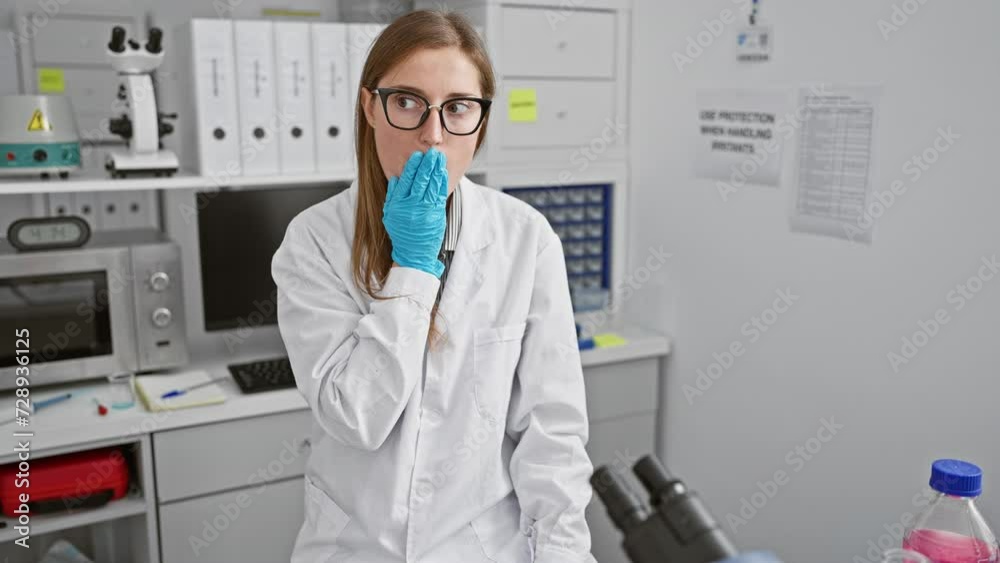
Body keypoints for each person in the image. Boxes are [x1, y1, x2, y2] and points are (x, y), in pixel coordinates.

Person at [272, 9, 595, 563]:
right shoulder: (314, 240)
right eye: (407, 102)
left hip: (482, 547)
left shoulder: (525, 238)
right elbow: (357, 418)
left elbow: (552, 436)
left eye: (458, 108)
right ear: (370, 106)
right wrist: (415, 269)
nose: (433, 134)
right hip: (355, 548)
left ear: (481, 120)